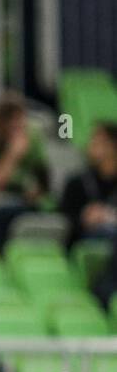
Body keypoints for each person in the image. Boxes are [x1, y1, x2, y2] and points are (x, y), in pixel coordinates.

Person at [0, 93, 50, 250]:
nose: (19, 127)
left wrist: (34, 192)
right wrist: (12, 155)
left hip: (22, 199)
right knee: (0, 217)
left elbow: (44, 183)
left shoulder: (32, 137)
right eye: (13, 122)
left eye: (21, 120)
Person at [59, 122, 117, 305]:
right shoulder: (78, 182)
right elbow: (64, 221)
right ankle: (105, 288)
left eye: (99, 142)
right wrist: (85, 218)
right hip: (86, 236)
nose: (91, 145)